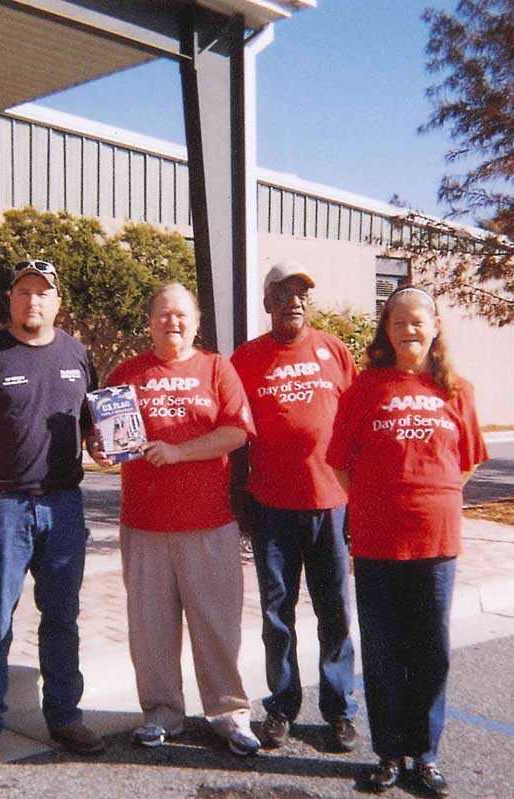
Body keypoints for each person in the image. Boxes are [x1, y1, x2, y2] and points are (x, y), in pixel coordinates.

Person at [325, 287, 488, 797]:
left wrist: (428, 498)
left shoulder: (458, 389)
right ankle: (389, 753)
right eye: (399, 321)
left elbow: (469, 461)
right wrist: (378, 503)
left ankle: (426, 754)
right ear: (386, 331)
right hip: (376, 543)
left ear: (435, 327)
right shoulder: (365, 389)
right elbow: (339, 461)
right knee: (382, 650)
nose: (409, 329)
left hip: (436, 542)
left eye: (418, 321)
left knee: (431, 650)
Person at [0, 259, 104, 770]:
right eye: (23, 291)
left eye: (42, 293)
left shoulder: (77, 354)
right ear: (10, 300)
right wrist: (0, 472)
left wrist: (103, 446)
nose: (32, 301)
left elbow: (91, 424)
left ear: (57, 302)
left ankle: (64, 716)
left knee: (61, 617)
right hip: (5, 507)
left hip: (63, 505)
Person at [97, 282, 261, 756]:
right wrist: (102, 449)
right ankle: (162, 713)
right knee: (150, 628)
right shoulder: (127, 372)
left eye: (181, 314)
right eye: (163, 314)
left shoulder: (216, 368)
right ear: (150, 321)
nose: (172, 322)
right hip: (144, 523)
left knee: (217, 625)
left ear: (196, 322)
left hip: (209, 522)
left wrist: (178, 451)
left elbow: (235, 433)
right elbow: (109, 438)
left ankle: (229, 714)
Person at [230, 262, 359, 750]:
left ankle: (339, 709)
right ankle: (281, 706)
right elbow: (237, 438)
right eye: (284, 293)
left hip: (332, 504)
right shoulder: (246, 360)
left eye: (302, 292)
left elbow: (356, 428)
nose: (294, 301)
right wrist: (238, 500)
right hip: (271, 508)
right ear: (267, 303)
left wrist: (361, 498)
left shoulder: (334, 351)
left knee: (335, 612)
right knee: (277, 614)